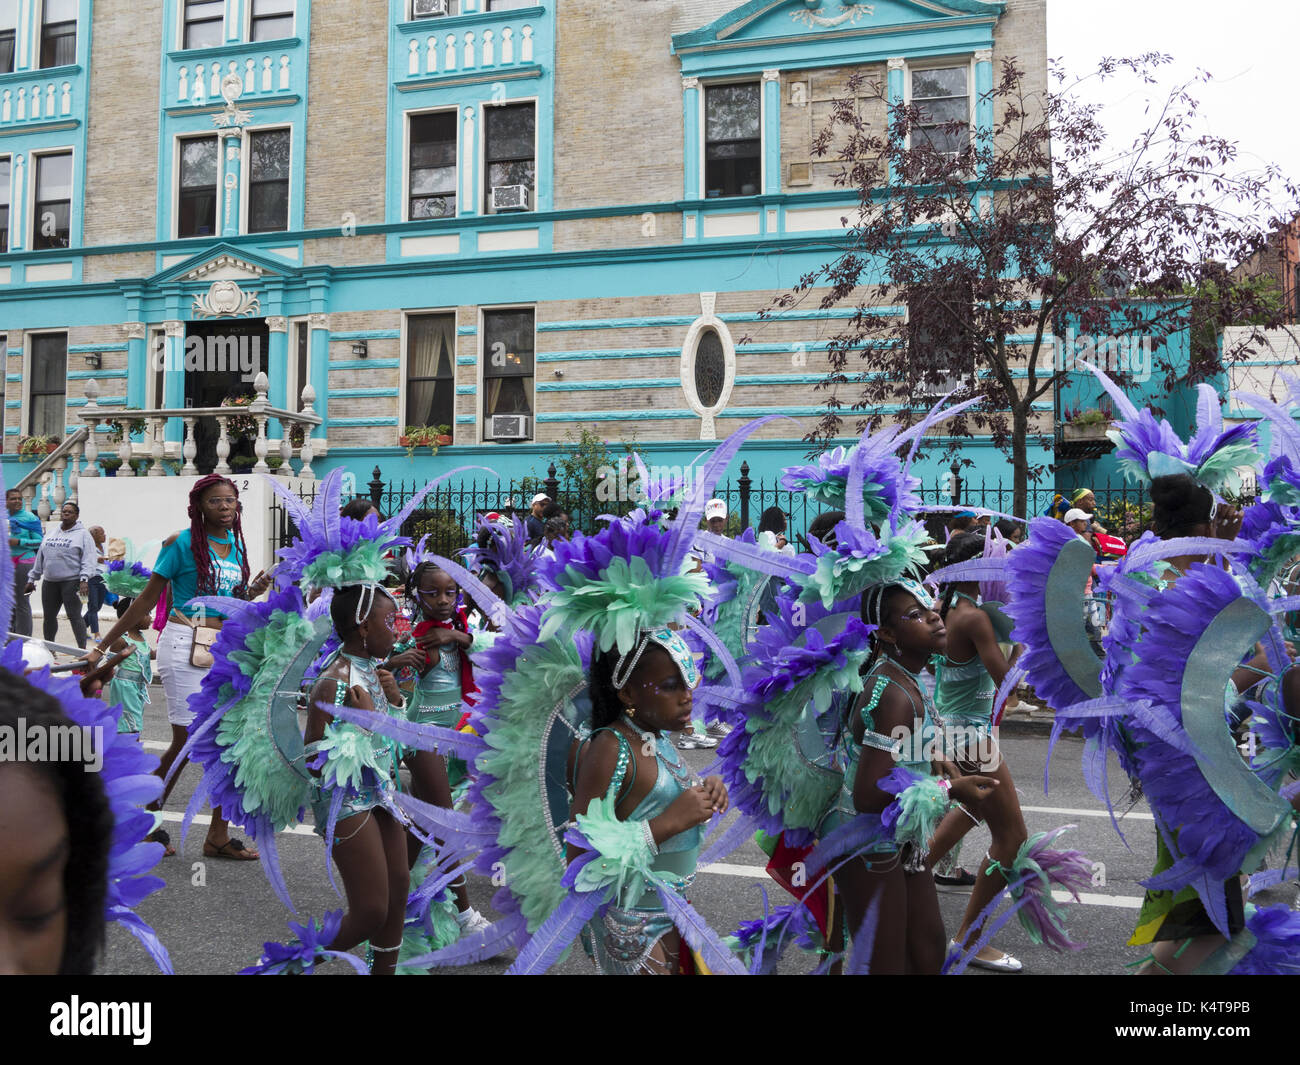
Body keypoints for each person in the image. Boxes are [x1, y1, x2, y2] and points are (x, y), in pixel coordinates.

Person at [84, 475, 272, 860]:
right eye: (216, 501)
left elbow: (227, 598)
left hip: (225, 648)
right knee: (187, 741)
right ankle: (147, 823)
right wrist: (102, 644)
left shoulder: (235, 545)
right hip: (186, 644)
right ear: (199, 506)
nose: (225, 507)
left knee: (228, 743)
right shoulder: (181, 544)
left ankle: (217, 836)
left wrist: (250, 593)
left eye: (231, 501)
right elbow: (145, 601)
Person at [827, 581, 995, 973]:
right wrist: (952, 789)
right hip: (867, 838)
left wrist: (929, 754)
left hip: (901, 834)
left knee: (928, 949)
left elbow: (890, 749)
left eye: (929, 607)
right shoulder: (894, 693)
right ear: (886, 633)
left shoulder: (906, 675)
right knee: (886, 964)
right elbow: (869, 795)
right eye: (915, 615)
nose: (935, 617)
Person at [569, 637, 728, 974]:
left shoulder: (654, 737)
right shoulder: (612, 748)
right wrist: (669, 822)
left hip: (673, 910)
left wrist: (707, 792)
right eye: (670, 686)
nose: (686, 696)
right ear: (627, 694)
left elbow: (663, 799)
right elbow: (579, 859)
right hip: (628, 923)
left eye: (688, 683)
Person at [926, 531, 1028, 972]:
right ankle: (969, 939)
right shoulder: (973, 617)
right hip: (972, 739)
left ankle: (893, 882)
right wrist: (1027, 648)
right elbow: (1006, 683)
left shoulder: (945, 609)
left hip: (949, 730)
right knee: (1011, 838)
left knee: (968, 812)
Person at [303, 583, 411, 976]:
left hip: (383, 792)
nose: (396, 630)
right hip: (345, 800)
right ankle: (288, 965)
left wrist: (396, 699)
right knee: (369, 911)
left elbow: (393, 739)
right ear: (363, 627)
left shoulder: (376, 673)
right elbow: (314, 760)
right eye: (388, 621)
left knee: (399, 890)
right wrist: (362, 728)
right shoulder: (334, 680)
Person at [387, 559, 492, 934]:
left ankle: (391, 900)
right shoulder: (418, 641)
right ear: (418, 595)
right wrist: (394, 663)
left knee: (422, 827)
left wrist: (459, 638)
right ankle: (466, 918)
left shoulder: (458, 631)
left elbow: (502, 652)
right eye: (433, 593)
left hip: (452, 738)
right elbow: (382, 679)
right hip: (423, 738)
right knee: (446, 824)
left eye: (451, 592)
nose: (444, 600)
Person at [27, 501, 97, 648]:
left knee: (74, 616)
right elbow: (41, 555)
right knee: (49, 617)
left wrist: (84, 580)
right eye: (64, 511)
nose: (65, 514)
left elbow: (89, 559)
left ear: (76, 515)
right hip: (50, 582)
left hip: (72, 582)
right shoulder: (52, 531)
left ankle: (82, 650)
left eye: (69, 512)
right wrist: (32, 578)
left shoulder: (83, 535)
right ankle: (50, 649)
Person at [102, 598, 153, 739]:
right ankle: (131, 749)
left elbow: (148, 654)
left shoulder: (141, 637)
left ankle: (127, 748)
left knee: (133, 720)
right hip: (125, 686)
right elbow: (109, 663)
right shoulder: (122, 640)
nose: (151, 618)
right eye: (147, 614)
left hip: (138, 686)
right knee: (130, 722)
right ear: (133, 616)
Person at [7, 488, 42, 636]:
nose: (17, 501)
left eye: (19, 498)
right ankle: (8, 638)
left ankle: (24, 641)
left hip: (24, 560)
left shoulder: (29, 518)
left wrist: (19, 541)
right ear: (5, 501)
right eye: (13, 498)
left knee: (22, 602)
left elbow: (40, 541)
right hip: (5, 563)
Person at [83, 526, 109, 638]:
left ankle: (81, 627)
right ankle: (96, 633)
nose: (105, 535)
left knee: (97, 607)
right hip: (91, 579)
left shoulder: (103, 547)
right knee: (93, 607)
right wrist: (100, 559)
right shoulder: (88, 547)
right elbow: (91, 559)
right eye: (102, 533)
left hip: (102, 579)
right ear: (94, 536)